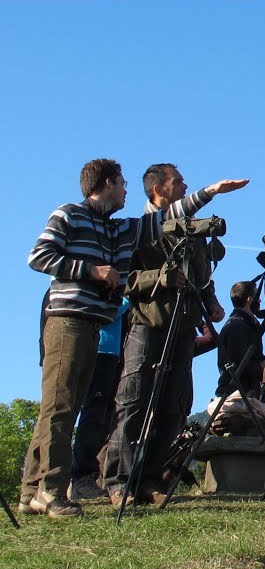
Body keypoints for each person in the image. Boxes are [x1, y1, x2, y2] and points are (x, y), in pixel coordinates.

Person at [21, 158, 247, 518]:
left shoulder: (118, 229)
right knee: (63, 407)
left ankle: (33, 492)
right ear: (107, 183)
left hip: (94, 323)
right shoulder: (68, 214)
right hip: (68, 319)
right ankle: (49, 490)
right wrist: (93, 270)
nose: (127, 190)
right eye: (122, 183)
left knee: (65, 407)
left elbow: (164, 218)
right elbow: (39, 256)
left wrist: (212, 191)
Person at [103, 163, 239, 507]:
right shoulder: (135, 230)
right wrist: (160, 278)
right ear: (158, 189)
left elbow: (202, 274)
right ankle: (119, 482)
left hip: (183, 322)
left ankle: (150, 479)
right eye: (178, 181)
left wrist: (211, 302)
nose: (184, 185)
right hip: (148, 321)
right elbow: (123, 279)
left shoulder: (191, 231)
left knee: (175, 403)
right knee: (134, 400)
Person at [67, 298, 129, 501]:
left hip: (111, 350)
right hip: (100, 347)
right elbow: (108, 307)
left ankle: (89, 477)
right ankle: (81, 477)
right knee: (93, 413)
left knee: (102, 416)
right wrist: (130, 300)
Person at [209, 280, 265, 415]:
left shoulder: (244, 325)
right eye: (257, 298)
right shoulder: (237, 327)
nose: (259, 302)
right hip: (235, 397)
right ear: (250, 300)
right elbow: (236, 365)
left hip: (246, 396)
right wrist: (261, 366)